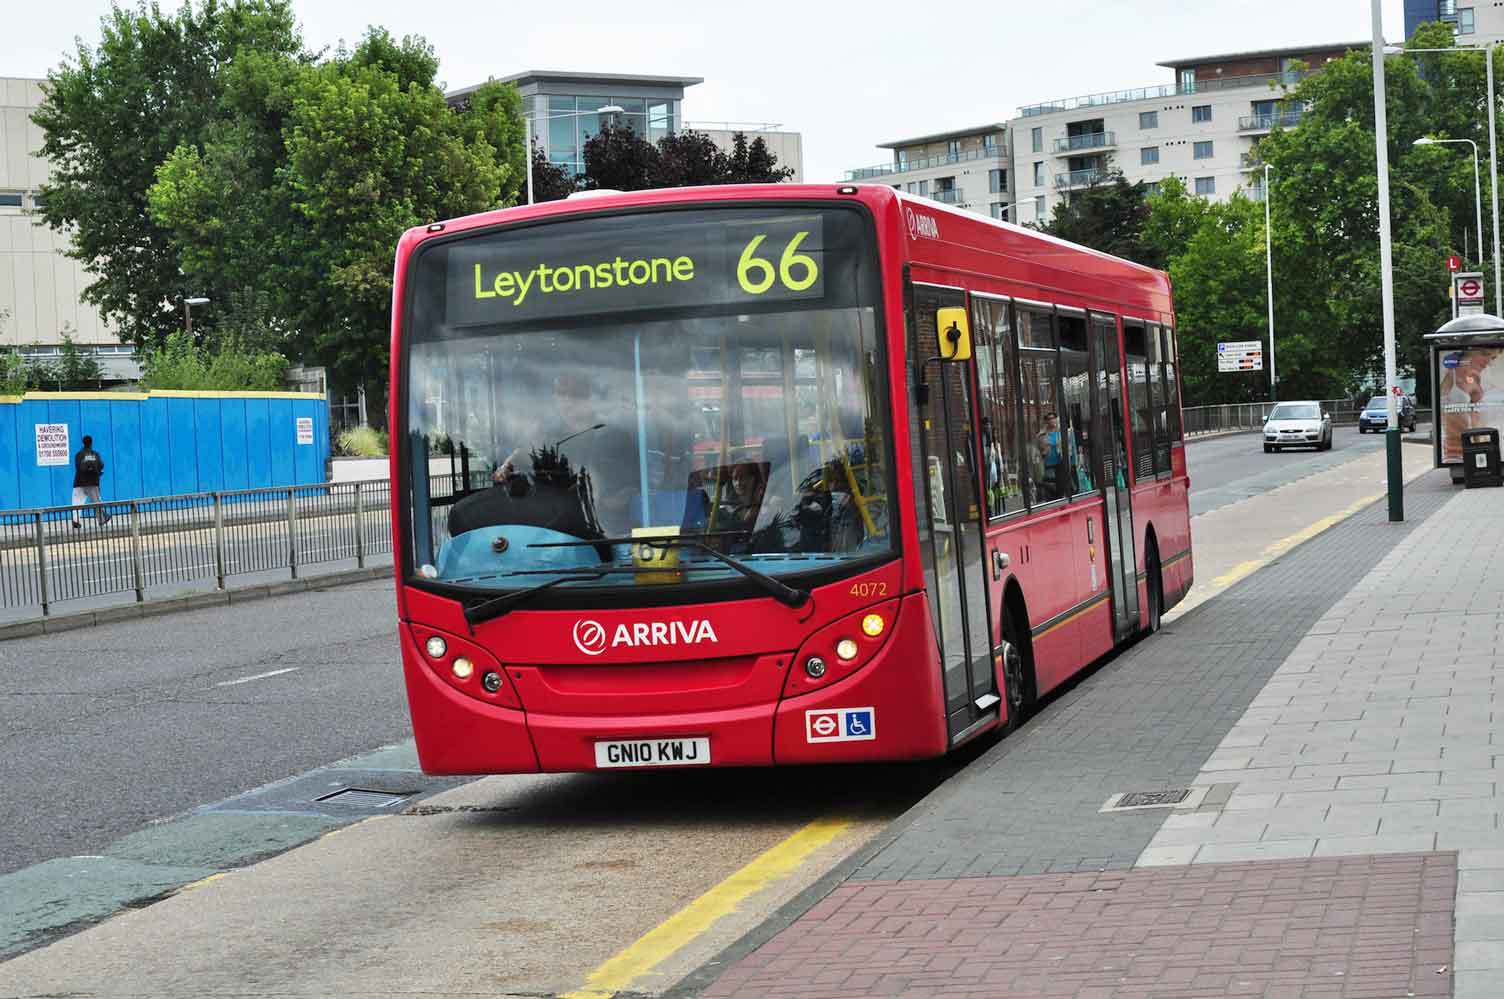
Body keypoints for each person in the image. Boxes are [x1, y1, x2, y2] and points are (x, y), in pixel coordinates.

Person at [72, 434, 111, 528]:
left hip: (79, 482)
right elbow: (101, 465)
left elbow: (77, 467)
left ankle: (75, 521)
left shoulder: (78, 454)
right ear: (91, 443)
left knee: (77, 502)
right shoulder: (95, 454)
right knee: (96, 501)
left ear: (83, 443)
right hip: (93, 482)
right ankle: (102, 519)